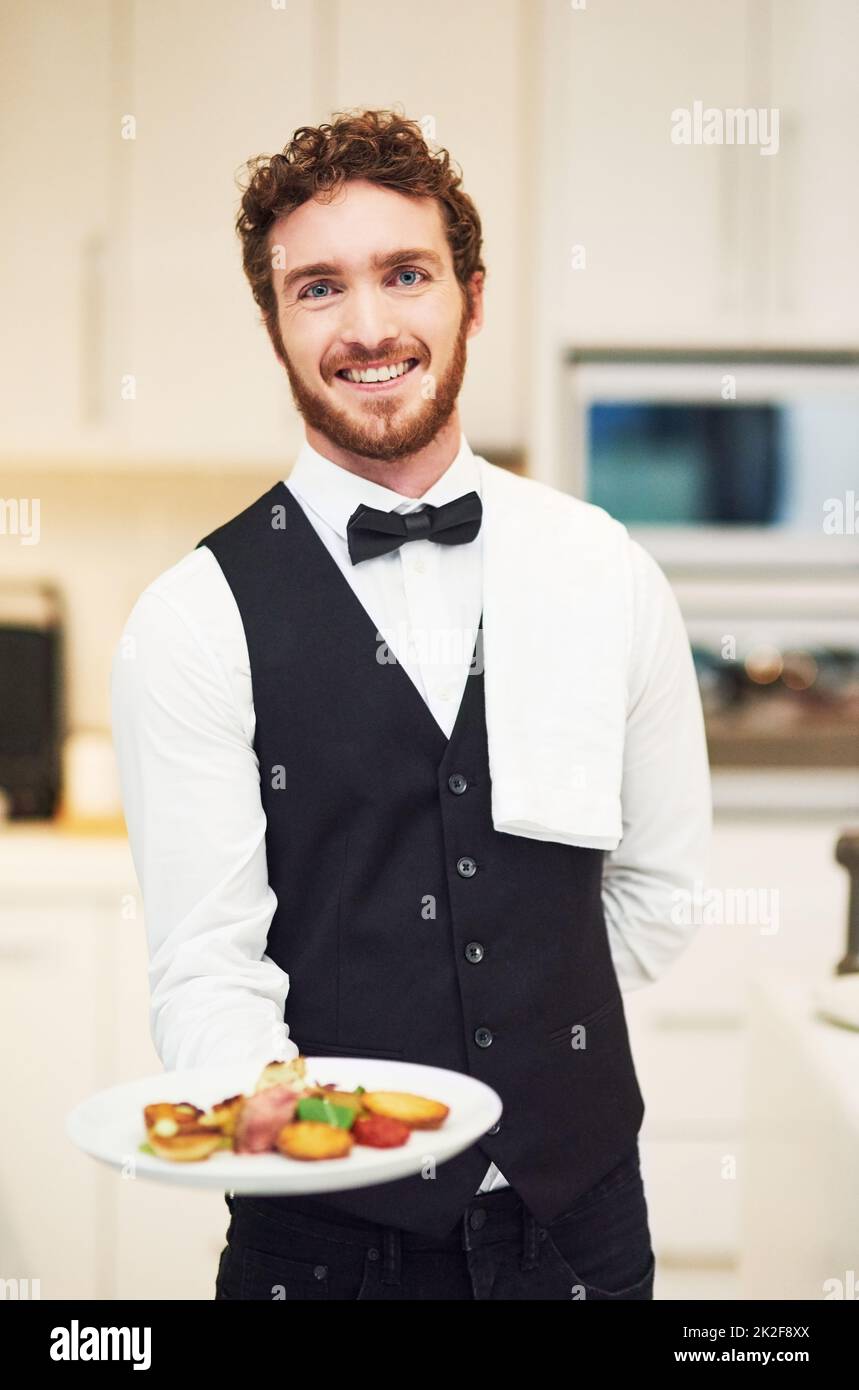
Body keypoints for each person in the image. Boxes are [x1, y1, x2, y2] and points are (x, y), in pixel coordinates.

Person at [111, 108, 711, 1300]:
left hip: (583, 1229)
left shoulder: (602, 567)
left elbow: (658, 892)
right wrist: (301, 1112)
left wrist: (528, 1035)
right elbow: (206, 968)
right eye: (320, 288)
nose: (370, 325)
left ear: (471, 299)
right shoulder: (189, 619)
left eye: (406, 275)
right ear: (275, 325)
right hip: (321, 1244)